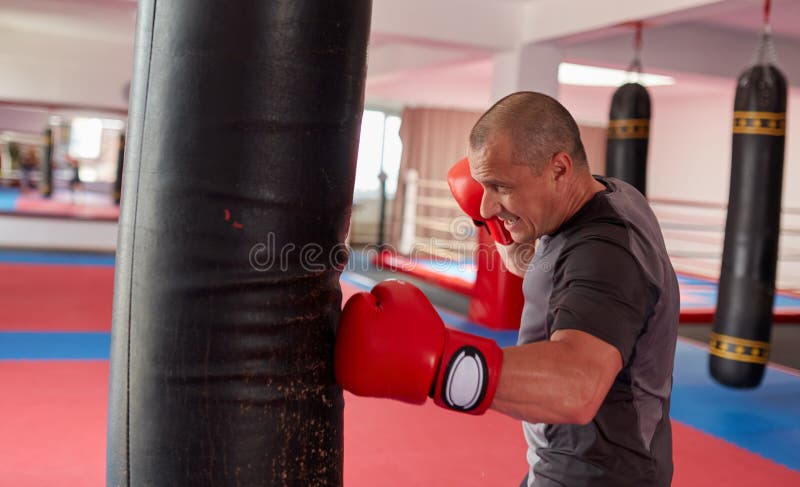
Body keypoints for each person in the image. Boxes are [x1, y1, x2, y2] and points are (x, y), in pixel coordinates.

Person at [335, 91, 680, 487]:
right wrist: (503, 228)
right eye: (483, 185)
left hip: (598, 475)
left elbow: (576, 387)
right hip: (569, 460)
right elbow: (543, 266)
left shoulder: (606, 253)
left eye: (499, 186)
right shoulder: (604, 197)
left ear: (560, 169)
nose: (484, 207)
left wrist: (439, 363)